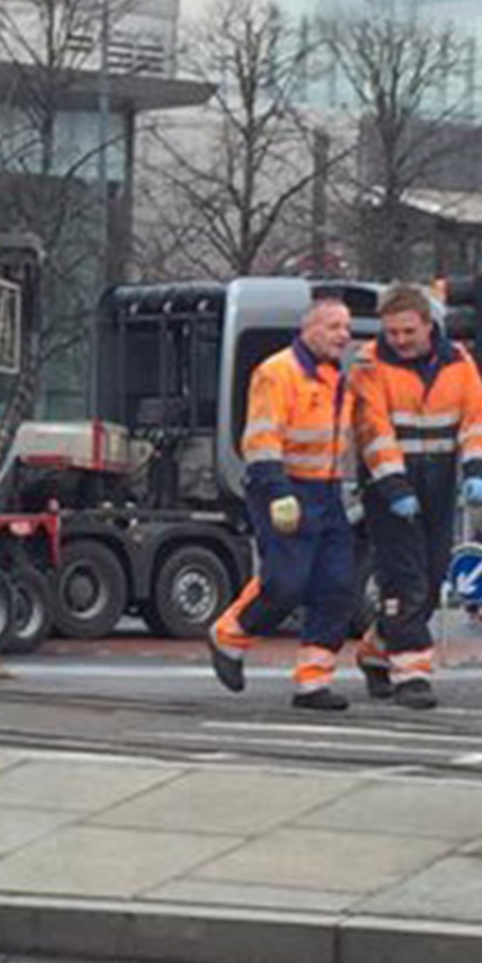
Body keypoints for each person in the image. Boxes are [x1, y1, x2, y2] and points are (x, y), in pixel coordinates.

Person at [349, 283, 482, 710]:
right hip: (388, 486)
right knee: (403, 576)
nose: (398, 340)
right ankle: (412, 673)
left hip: (439, 481)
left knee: (432, 578)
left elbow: (475, 421)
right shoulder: (369, 365)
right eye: (391, 332)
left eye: (407, 332)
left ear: (428, 327)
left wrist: (479, 471)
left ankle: (378, 647)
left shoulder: (458, 363)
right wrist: (394, 487)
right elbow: (373, 433)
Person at [208, 297, 358, 709]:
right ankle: (229, 635)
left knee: (337, 585)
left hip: (326, 490)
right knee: (286, 582)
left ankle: (313, 683)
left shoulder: (337, 377)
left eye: (346, 327)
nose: (344, 335)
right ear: (308, 329)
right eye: (334, 327)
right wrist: (278, 491)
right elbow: (261, 436)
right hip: (283, 485)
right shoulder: (278, 372)